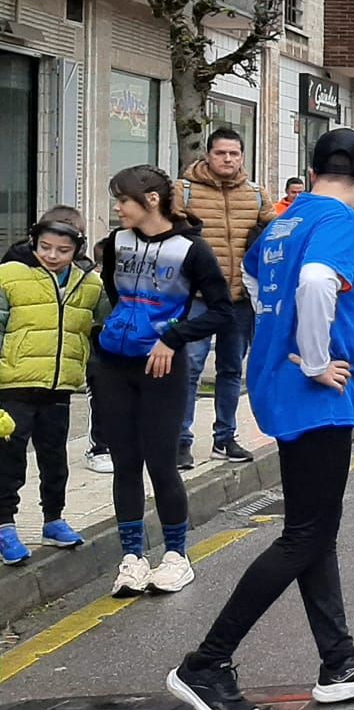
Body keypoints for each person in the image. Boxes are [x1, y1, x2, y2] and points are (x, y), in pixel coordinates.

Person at [166, 128, 354, 710]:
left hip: (278, 385)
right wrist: (312, 355)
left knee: (315, 527)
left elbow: (254, 280)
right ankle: (207, 662)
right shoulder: (338, 221)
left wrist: (282, 342)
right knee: (305, 534)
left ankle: (339, 660)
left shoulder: (283, 218)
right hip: (317, 392)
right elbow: (313, 284)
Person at [94, 166, 233, 598]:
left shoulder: (192, 249)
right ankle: (132, 558)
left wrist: (172, 337)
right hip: (113, 366)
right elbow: (115, 296)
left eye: (123, 201)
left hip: (162, 369)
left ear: (152, 200)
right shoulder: (116, 244)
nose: (117, 209)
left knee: (161, 463)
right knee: (125, 463)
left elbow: (221, 312)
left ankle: (176, 557)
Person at [0, 211, 105, 563]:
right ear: (33, 243)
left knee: (55, 458)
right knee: (9, 460)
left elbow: (105, 324)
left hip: (60, 387)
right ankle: (4, 525)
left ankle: (53, 519)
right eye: (45, 247)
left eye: (62, 249)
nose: (52, 255)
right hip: (13, 385)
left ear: (77, 249)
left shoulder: (90, 284)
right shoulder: (10, 275)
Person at [176, 125, 278, 468]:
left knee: (232, 369)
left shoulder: (256, 194)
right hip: (198, 298)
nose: (228, 159)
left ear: (242, 157)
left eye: (234, 153)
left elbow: (276, 234)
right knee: (189, 368)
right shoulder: (184, 192)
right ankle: (180, 441)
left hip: (240, 299)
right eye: (221, 153)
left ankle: (225, 437)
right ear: (207, 154)